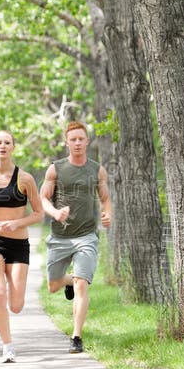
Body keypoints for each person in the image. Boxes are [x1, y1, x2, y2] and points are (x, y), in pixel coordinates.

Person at [40, 121, 112, 353]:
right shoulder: (56, 169)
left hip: (86, 235)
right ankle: (68, 280)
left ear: (87, 141)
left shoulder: (96, 169)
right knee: (52, 286)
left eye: (81, 139)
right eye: (73, 139)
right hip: (60, 236)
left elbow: (105, 198)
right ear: (67, 142)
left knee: (83, 285)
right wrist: (55, 213)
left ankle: (76, 336)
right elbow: (43, 199)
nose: (78, 143)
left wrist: (107, 215)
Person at [0, 130, 43, 363]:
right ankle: (7, 346)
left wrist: (17, 223)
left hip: (18, 244)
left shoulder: (25, 179)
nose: (3, 146)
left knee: (16, 304)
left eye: (7, 142)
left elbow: (39, 214)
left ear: (13, 147)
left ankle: (9, 339)